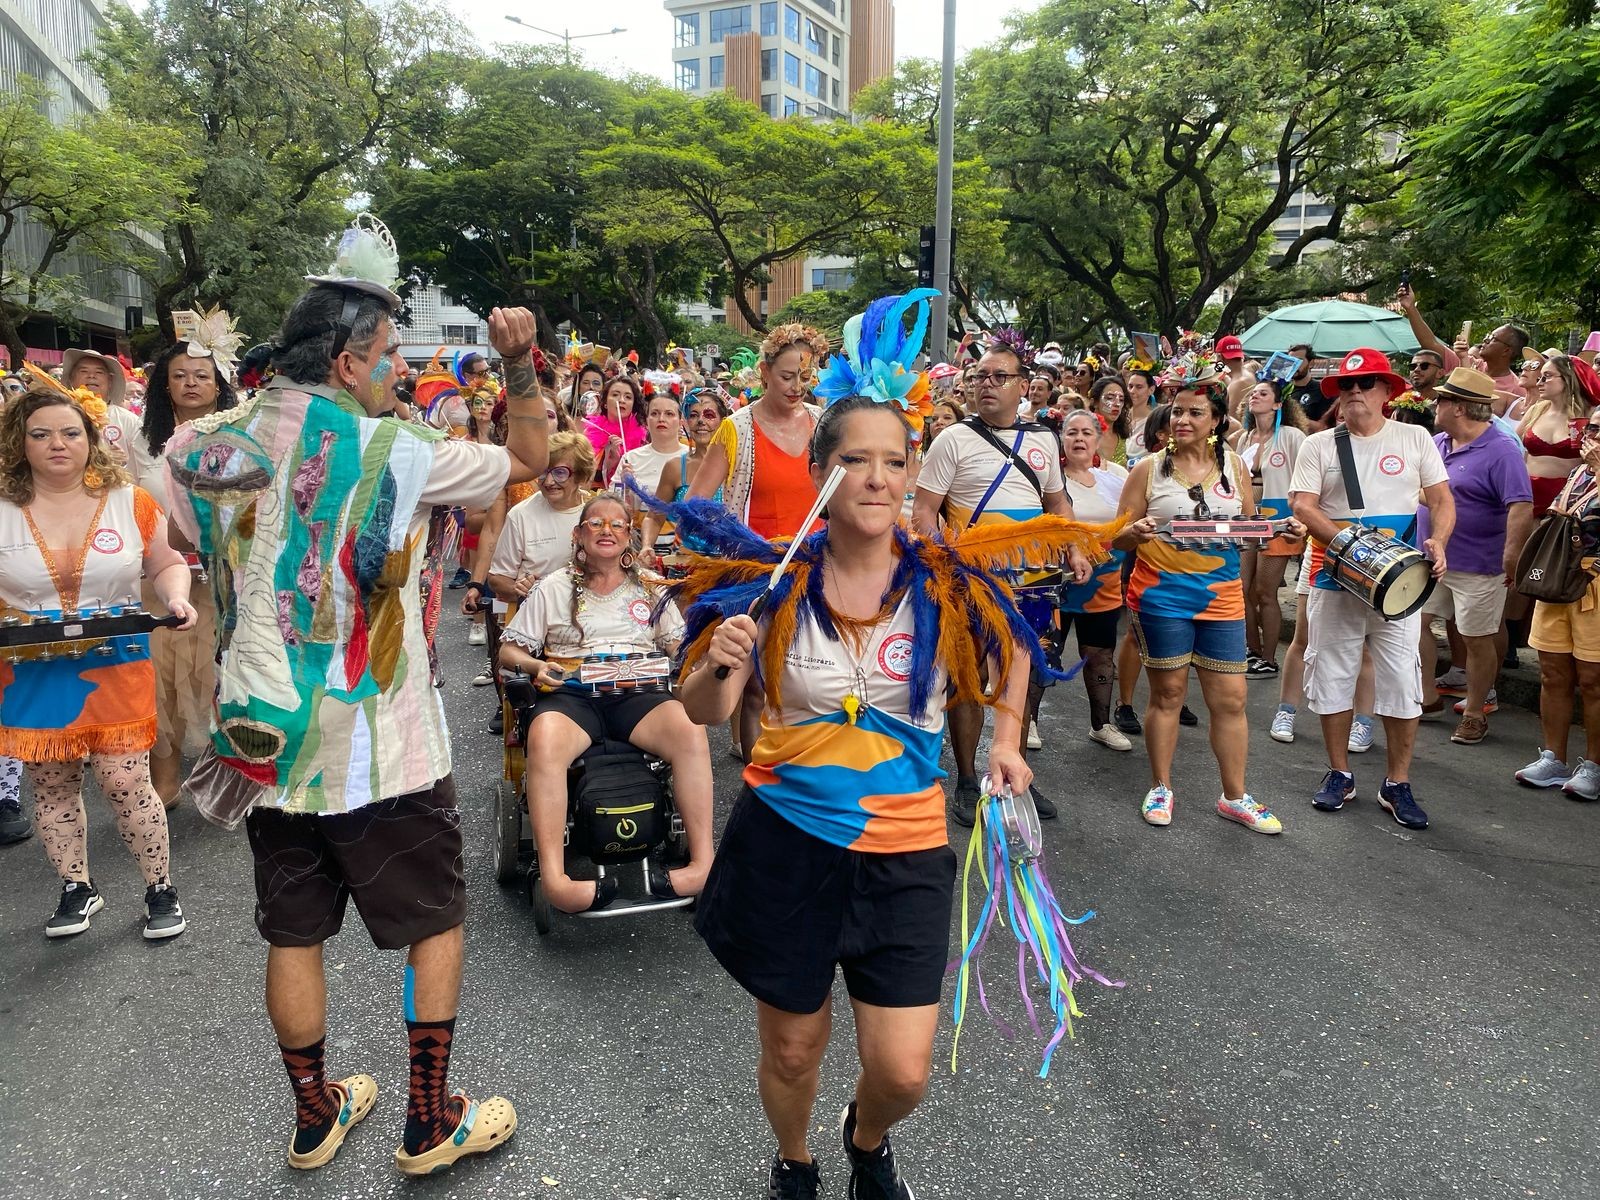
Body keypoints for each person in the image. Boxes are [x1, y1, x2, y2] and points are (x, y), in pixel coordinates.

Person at [667, 359, 1103, 1200]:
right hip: (786, 844)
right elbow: (705, 713)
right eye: (855, 460)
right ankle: (795, 1160)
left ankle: (865, 1137)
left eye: (895, 461)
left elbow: (1014, 647)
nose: (876, 477)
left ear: (911, 474)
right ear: (821, 471)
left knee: (902, 1073)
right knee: (793, 1048)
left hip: (905, 848)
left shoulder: (943, 583)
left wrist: (1005, 740)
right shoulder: (772, 588)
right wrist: (722, 662)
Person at [164, 227, 545, 1175]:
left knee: (293, 931)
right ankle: (428, 1119)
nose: (395, 378)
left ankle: (313, 1114)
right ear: (347, 359)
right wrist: (520, 366)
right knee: (434, 920)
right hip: (385, 740)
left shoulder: (196, 447)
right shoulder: (397, 449)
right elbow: (531, 455)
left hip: (260, 739)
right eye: (387, 360)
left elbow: (181, 552)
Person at [0, 378, 198, 937]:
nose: (58, 444)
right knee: (53, 782)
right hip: (30, 665)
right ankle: (77, 888)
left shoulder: (129, 501)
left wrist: (177, 596)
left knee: (124, 778)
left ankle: (160, 888)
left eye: (70, 432)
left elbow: (166, 562)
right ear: (20, 442)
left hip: (115, 657)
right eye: (40, 434)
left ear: (91, 438)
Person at [496, 492, 713, 912]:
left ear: (629, 536)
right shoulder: (553, 587)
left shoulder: (650, 587)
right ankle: (556, 879)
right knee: (543, 739)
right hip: (573, 693)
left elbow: (676, 644)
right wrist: (535, 667)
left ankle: (703, 862)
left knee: (690, 730)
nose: (607, 530)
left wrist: (692, 656)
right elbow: (509, 651)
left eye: (618, 524)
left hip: (638, 691)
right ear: (578, 534)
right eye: (596, 523)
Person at [912, 330, 1094, 825]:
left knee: (1026, 678)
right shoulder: (951, 439)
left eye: (999, 377)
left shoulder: (1043, 439)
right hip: (972, 583)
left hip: (1034, 583)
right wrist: (949, 559)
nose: (987, 385)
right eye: (979, 377)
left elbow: (1058, 503)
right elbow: (924, 513)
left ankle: (1015, 771)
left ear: (1024, 385)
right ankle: (970, 780)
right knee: (967, 680)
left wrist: (1076, 544)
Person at [1115, 360, 1288, 834]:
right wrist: (1135, 531)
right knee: (1168, 693)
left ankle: (1235, 796)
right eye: (1177, 412)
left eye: (1194, 413)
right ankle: (1161, 786)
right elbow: (1117, 537)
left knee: (1231, 699)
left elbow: (1248, 528)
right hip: (1161, 595)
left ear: (1215, 421)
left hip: (1222, 597)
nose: (1183, 421)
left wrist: (1277, 528)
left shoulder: (1234, 464)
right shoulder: (1149, 470)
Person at [1288, 348, 1453, 830]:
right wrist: (1348, 546)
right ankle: (1340, 772)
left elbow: (1442, 499)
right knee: (1332, 676)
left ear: (1388, 391)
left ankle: (1397, 782)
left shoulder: (1415, 437)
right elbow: (1302, 504)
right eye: (1347, 386)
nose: (1354, 392)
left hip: (1400, 581)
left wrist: (1438, 541)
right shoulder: (1319, 445)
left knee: (1403, 682)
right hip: (1335, 576)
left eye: (1366, 384)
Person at [689, 323, 829, 757]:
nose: (797, 387)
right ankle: (758, 781)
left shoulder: (826, 424)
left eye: (806, 378)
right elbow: (695, 503)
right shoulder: (736, 429)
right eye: (787, 376)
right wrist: (725, 541)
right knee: (754, 687)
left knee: (814, 680)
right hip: (757, 574)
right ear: (765, 372)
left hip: (819, 568)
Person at [132, 334, 240, 808]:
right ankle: (166, 770)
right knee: (163, 678)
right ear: (165, 385)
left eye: (202, 375)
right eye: (179, 375)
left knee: (223, 675)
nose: (191, 383)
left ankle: (232, 771)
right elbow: (130, 501)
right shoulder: (143, 440)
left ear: (219, 384)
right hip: (162, 575)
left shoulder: (239, 433)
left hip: (226, 574)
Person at [1414, 369, 1533, 745]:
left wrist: (1511, 554)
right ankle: (1427, 695)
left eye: (1443, 399)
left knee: (1477, 638)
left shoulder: (1502, 450)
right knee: (1413, 623)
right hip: (1430, 557)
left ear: (1461, 408)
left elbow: (1520, 506)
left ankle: (1477, 710)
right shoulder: (1438, 442)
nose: (1436, 404)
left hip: (1479, 563)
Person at [1056, 410, 1156, 750]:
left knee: (1100, 654)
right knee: (1044, 650)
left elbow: (1133, 521)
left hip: (1104, 580)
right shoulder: (1051, 478)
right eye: (1071, 432)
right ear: (1062, 438)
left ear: (1100, 441)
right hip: (1057, 578)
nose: (1079, 439)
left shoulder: (1116, 475)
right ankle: (1032, 721)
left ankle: (1102, 724)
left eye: (1087, 432)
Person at [1516, 413, 1600, 799]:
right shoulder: (1578, 472)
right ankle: (1554, 757)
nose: (1590, 436)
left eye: (1598, 429)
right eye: (1590, 428)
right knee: (1552, 673)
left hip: (1593, 587)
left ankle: (1594, 765)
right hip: (1558, 581)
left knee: (1593, 681)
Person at [1233, 378, 1309, 676]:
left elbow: (1306, 476)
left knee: (1265, 592)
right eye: (1253, 393)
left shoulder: (1291, 436)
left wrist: (1300, 516)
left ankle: (1269, 657)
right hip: (1247, 517)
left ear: (1278, 404)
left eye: (1263, 393)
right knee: (1242, 589)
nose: (1255, 396)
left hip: (1279, 518)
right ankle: (1251, 650)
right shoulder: (1244, 437)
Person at [642, 387, 728, 556]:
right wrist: (647, 546)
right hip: (685, 566)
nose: (700, 421)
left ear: (723, 422)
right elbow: (654, 517)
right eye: (694, 415)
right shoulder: (675, 467)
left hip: (732, 569)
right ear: (686, 422)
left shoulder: (739, 466)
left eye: (709, 415)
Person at [1517, 352, 1600, 517]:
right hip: (1527, 494)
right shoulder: (1536, 410)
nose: (1539, 382)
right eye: (1540, 377)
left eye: (1547, 377)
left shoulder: (1591, 416)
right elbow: (1512, 448)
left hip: (1566, 500)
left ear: (1568, 378)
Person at [618, 387, 687, 534]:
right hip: (640, 545)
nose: (661, 419)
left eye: (669, 414)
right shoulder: (630, 459)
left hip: (683, 548)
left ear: (681, 421)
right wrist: (626, 488)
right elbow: (616, 503)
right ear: (646, 421)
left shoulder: (692, 458)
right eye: (655, 413)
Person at [584, 374, 646, 485]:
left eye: (628, 397)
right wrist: (606, 465)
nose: (622, 400)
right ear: (605, 403)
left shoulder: (643, 437)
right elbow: (583, 479)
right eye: (615, 395)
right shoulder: (589, 434)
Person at [1090, 375, 1131, 466]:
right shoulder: (1083, 434)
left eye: (1121, 400)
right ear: (1095, 402)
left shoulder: (1122, 438)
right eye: (1110, 398)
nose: (1117, 404)